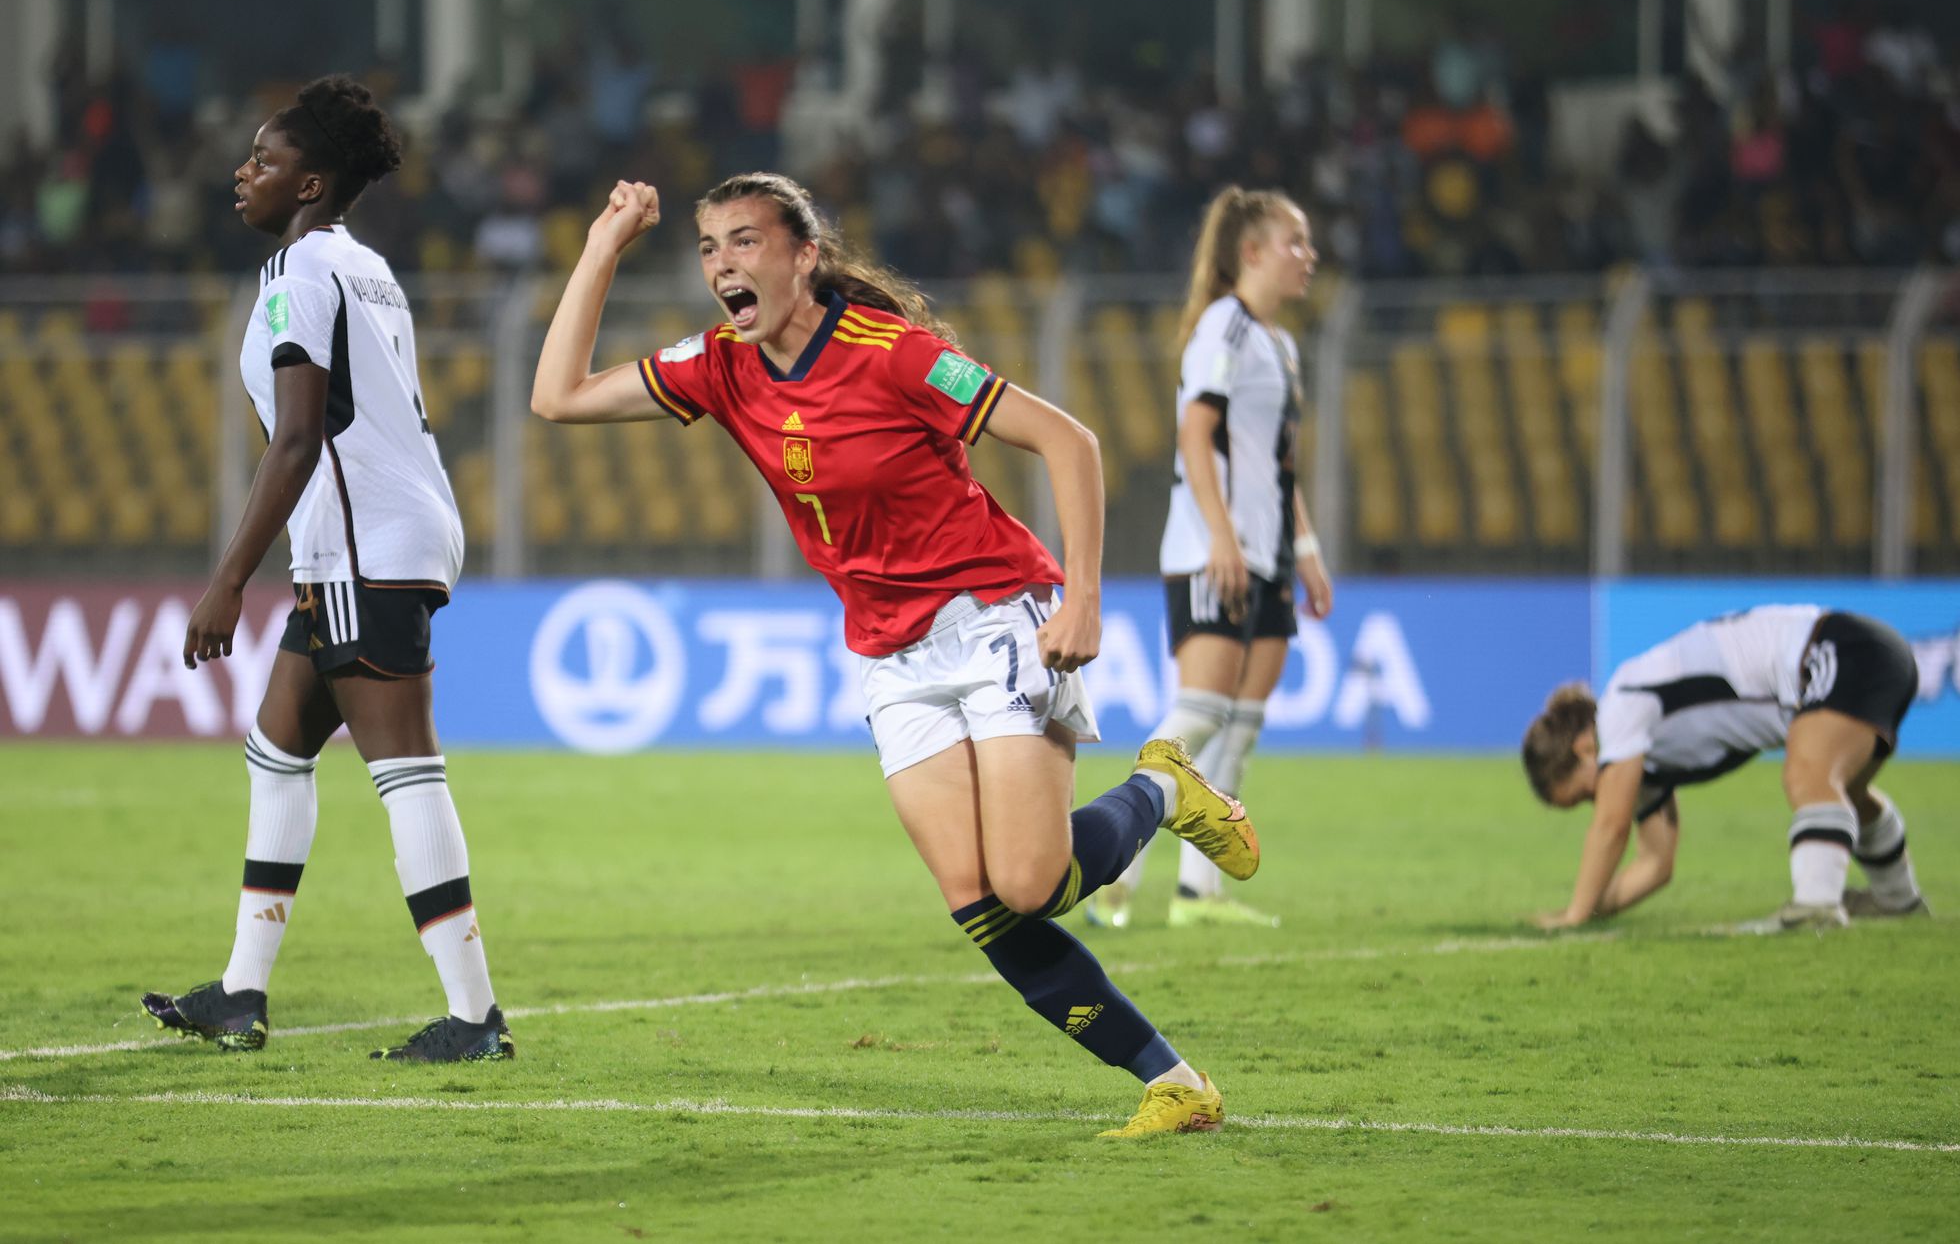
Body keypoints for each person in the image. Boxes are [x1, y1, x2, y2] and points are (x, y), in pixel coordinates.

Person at [530, 172, 1261, 1136]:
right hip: (889, 652)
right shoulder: (720, 363)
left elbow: (1070, 441)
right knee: (983, 902)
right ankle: (1175, 1081)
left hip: (995, 610)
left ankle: (1164, 789)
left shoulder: (899, 356)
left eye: (745, 242)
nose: (723, 265)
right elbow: (556, 397)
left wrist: (1083, 594)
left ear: (805, 255)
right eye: (709, 248)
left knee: (1031, 882)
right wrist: (602, 248)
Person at [142, 76, 512, 1063]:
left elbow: (301, 435)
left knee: (406, 771)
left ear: (309, 182)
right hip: (377, 535)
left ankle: (475, 1015)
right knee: (278, 748)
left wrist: (228, 577)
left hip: (363, 544)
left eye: (261, 160)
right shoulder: (366, 265)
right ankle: (240, 990)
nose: (242, 172)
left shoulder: (301, 274)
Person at [1087, 187, 1333, 931]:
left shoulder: (1281, 346)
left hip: (1268, 554)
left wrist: (1306, 547)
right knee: (1198, 714)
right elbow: (1196, 437)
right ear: (1250, 251)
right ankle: (1113, 873)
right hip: (1212, 549)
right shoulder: (1221, 329)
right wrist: (1221, 535)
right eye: (1295, 240)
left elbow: (1278, 463)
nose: (1308, 255)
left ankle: (1199, 892)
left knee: (1241, 721)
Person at [1521, 604, 1928, 931]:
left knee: (1809, 776)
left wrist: (1573, 916)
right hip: (1864, 658)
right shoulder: (1645, 762)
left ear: (1584, 748)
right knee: (1845, 792)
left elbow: (1611, 827)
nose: (1597, 800)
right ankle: (1899, 901)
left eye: (1584, 793)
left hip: (1843, 649)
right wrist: (1585, 911)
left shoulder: (1621, 704)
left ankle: (1816, 910)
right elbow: (1654, 866)